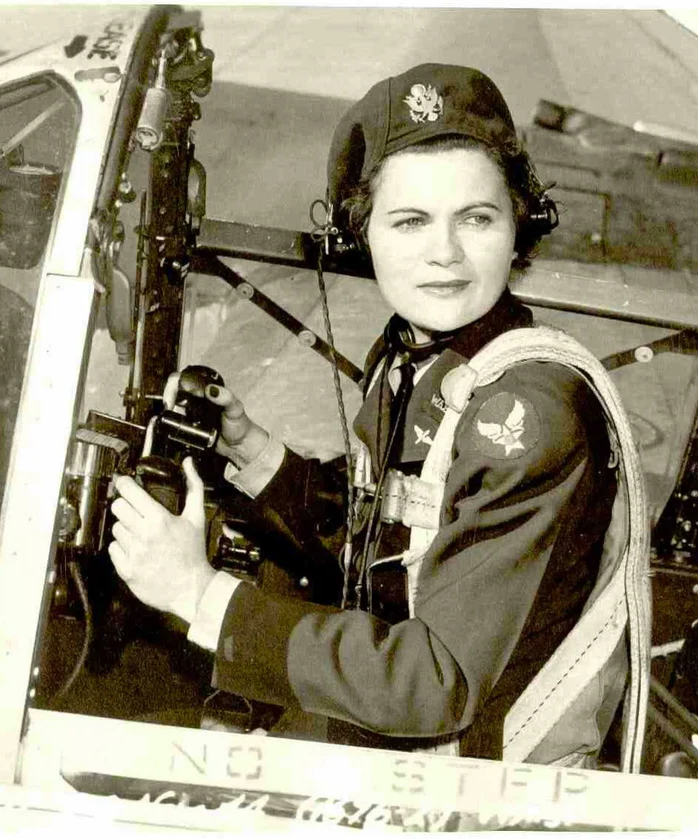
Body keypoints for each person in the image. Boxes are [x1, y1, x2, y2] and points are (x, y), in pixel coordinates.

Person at [108, 64, 621, 761]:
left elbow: (435, 682)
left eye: (477, 217)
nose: (444, 253)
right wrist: (257, 454)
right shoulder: (420, 353)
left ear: (519, 225)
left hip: (472, 782)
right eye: (410, 221)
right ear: (361, 232)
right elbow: (393, 536)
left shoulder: (524, 413)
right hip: (397, 737)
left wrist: (201, 595)